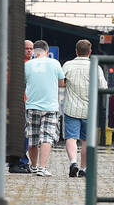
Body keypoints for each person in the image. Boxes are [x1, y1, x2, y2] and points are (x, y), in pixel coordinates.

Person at [61, 39, 106, 178]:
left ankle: (73, 162)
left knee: (71, 137)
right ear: (90, 52)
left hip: (71, 108)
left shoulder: (67, 65)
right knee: (86, 140)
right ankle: (83, 168)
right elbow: (104, 87)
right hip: (89, 110)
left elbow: (61, 82)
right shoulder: (95, 67)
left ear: (76, 51)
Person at [24, 39, 64, 176]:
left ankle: (33, 167)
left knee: (32, 138)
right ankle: (42, 168)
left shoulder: (28, 65)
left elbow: (23, 83)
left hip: (32, 105)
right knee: (47, 137)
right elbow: (61, 82)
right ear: (47, 51)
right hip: (50, 106)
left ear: (34, 52)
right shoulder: (55, 63)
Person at [10, 40, 37, 174]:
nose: (29, 51)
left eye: (31, 48)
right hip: (19, 103)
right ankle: (17, 162)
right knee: (22, 134)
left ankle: (21, 160)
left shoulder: (32, 65)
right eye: (27, 48)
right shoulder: (17, 65)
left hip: (28, 103)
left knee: (25, 134)